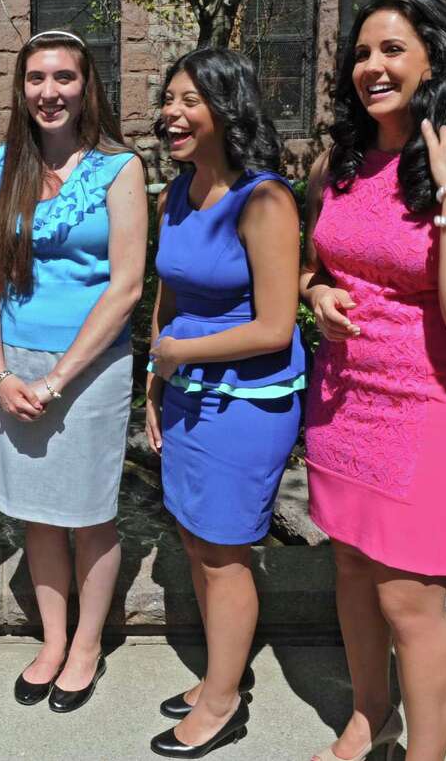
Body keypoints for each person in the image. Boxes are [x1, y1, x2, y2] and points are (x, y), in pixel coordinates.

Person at [301, 0, 446, 761]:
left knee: (411, 598)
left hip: (434, 407)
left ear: (437, 58)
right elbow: (314, 261)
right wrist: (316, 291)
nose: (372, 65)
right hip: (345, 398)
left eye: (393, 49)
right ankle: (374, 714)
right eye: (362, 52)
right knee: (347, 565)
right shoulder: (337, 161)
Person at [0, 30, 147, 714]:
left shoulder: (120, 170)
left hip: (92, 367)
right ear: (21, 89)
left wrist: (55, 380)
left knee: (90, 512)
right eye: (37, 78)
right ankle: (52, 638)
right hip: (14, 365)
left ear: (86, 86)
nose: (50, 91)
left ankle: (87, 643)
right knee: (39, 515)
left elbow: (127, 286)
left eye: (64, 77)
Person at [144, 49, 305, 758]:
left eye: (188, 101)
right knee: (192, 536)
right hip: (182, 396)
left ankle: (221, 701)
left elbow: (276, 324)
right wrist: (154, 375)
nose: (170, 114)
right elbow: (167, 293)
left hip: (246, 402)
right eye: (168, 100)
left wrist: (179, 354)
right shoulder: (173, 193)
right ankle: (220, 672)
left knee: (225, 552)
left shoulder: (265, 199)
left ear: (225, 108)